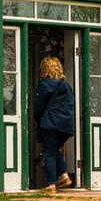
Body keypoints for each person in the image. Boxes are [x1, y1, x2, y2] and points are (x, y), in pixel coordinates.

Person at [34, 56, 75, 192]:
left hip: (50, 123)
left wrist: (38, 119)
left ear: (44, 69)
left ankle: (52, 184)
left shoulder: (44, 84)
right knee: (53, 150)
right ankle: (64, 176)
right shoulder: (67, 86)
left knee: (49, 153)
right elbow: (70, 105)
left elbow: (39, 107)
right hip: (65, 125)